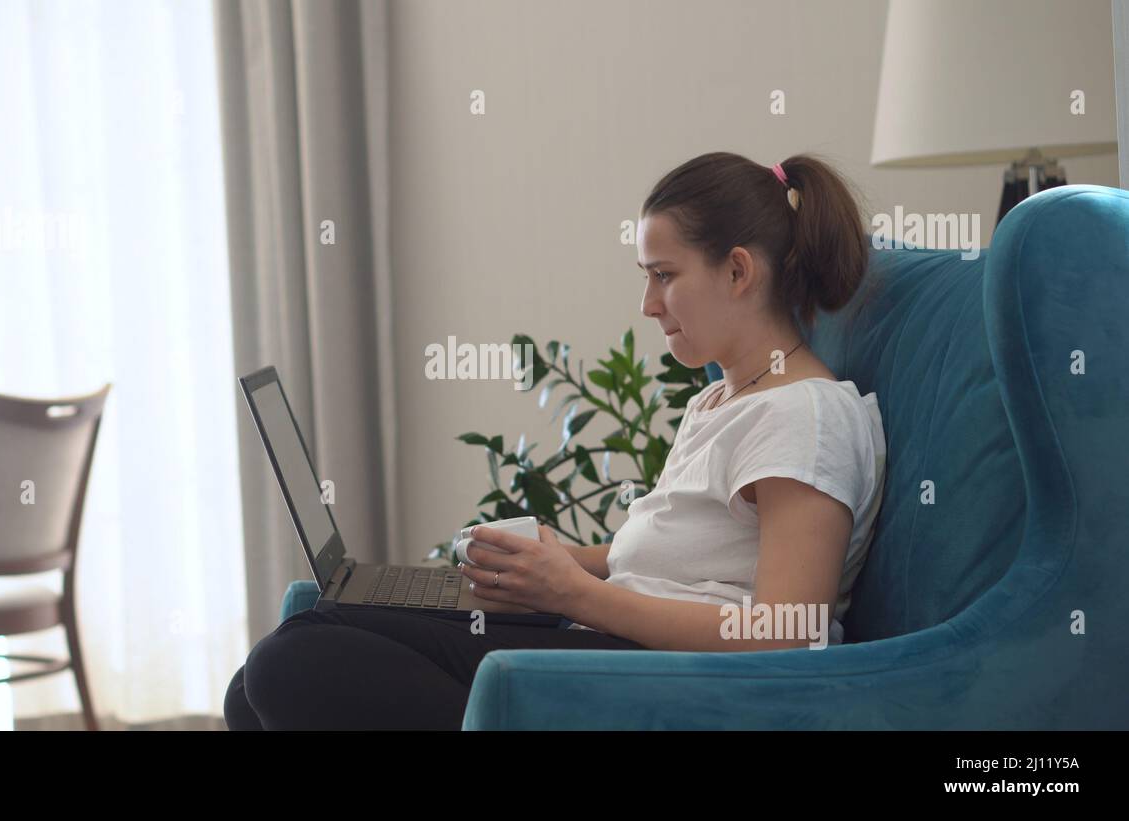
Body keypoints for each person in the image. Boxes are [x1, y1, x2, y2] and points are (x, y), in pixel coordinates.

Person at [224, 151, 887, 730]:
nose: (647, 305)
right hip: (611, 640)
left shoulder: (804, 418)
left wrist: (574, 593)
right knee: (261, 678)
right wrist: (558, 562)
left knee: (291, 663)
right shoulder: (726, 397)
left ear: (739, 272)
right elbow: (691, 556)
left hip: (667, 685)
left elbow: (786, 634)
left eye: (663, 275)